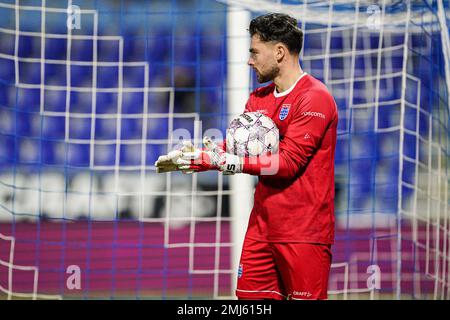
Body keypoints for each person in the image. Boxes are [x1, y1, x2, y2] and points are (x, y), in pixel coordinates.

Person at [155, 13, 338, 300]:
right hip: (262, 227)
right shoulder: (259, 98)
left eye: (254, 52)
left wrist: (234, 163)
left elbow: (289, 163)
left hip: (303, 231)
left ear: (279, 52)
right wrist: (199, 158)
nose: (249, 60)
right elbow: (235, 149)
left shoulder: (314, 97)